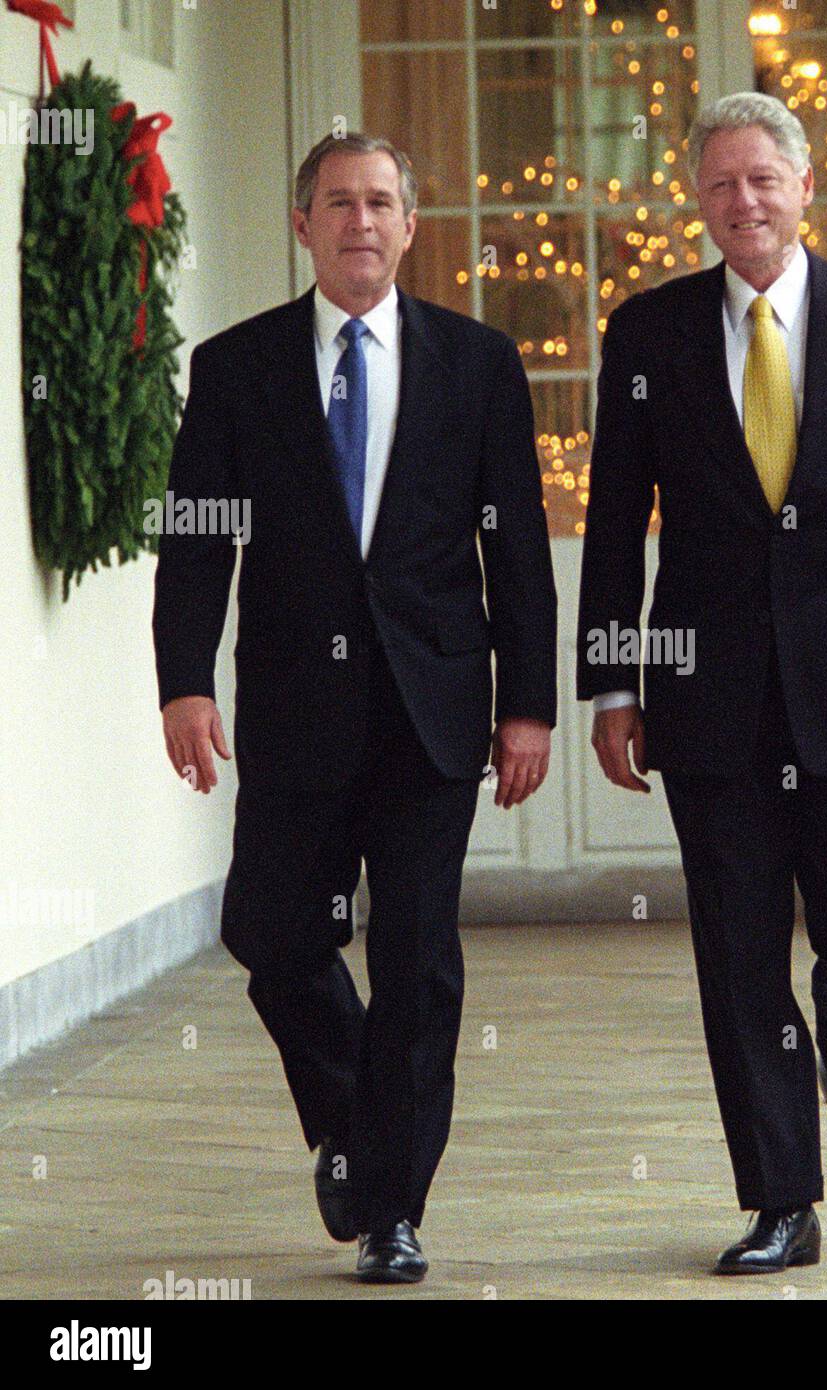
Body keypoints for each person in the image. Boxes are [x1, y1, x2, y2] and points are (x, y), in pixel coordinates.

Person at [577, 92, 827, 1274]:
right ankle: (778, 1198)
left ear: (806, 186)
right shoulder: (646, 335)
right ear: (697, 200)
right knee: (740, 955)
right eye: (719, 184)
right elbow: (614, 524)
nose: (742, 202)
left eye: (762, 178)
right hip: (708, 707)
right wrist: (613, 684)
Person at [152, 132, 556, 1284]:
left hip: (433, 710)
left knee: (419, 961)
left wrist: (526, 703)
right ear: (304, 224)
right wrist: (183, 680)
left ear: (410, 225)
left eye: (381, 203)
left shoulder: (477, 364)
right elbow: (193, 544)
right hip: (292, 709)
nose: (361, 222)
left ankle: (393, 1209)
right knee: (273, 935)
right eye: (339, 203)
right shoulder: (234, 368)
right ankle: (351, 1123)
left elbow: (515, 547)